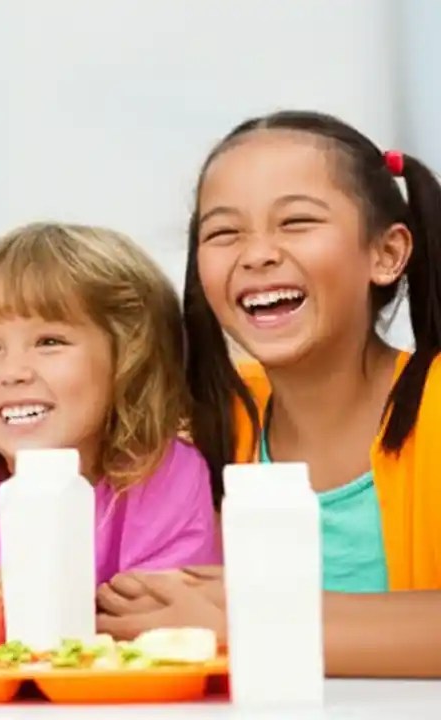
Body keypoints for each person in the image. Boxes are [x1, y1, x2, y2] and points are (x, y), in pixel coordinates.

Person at [96, 111, 441, 678]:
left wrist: (256, 622)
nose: (257, 253)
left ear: (387, 253)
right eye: (224, 233)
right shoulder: (198, 426)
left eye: (297, 221)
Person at [0, 223, 221, 650]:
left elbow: (168, 633)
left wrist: (16, 616)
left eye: (49, 342)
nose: (14, 371)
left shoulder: (165, 474)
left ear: (128, 359)